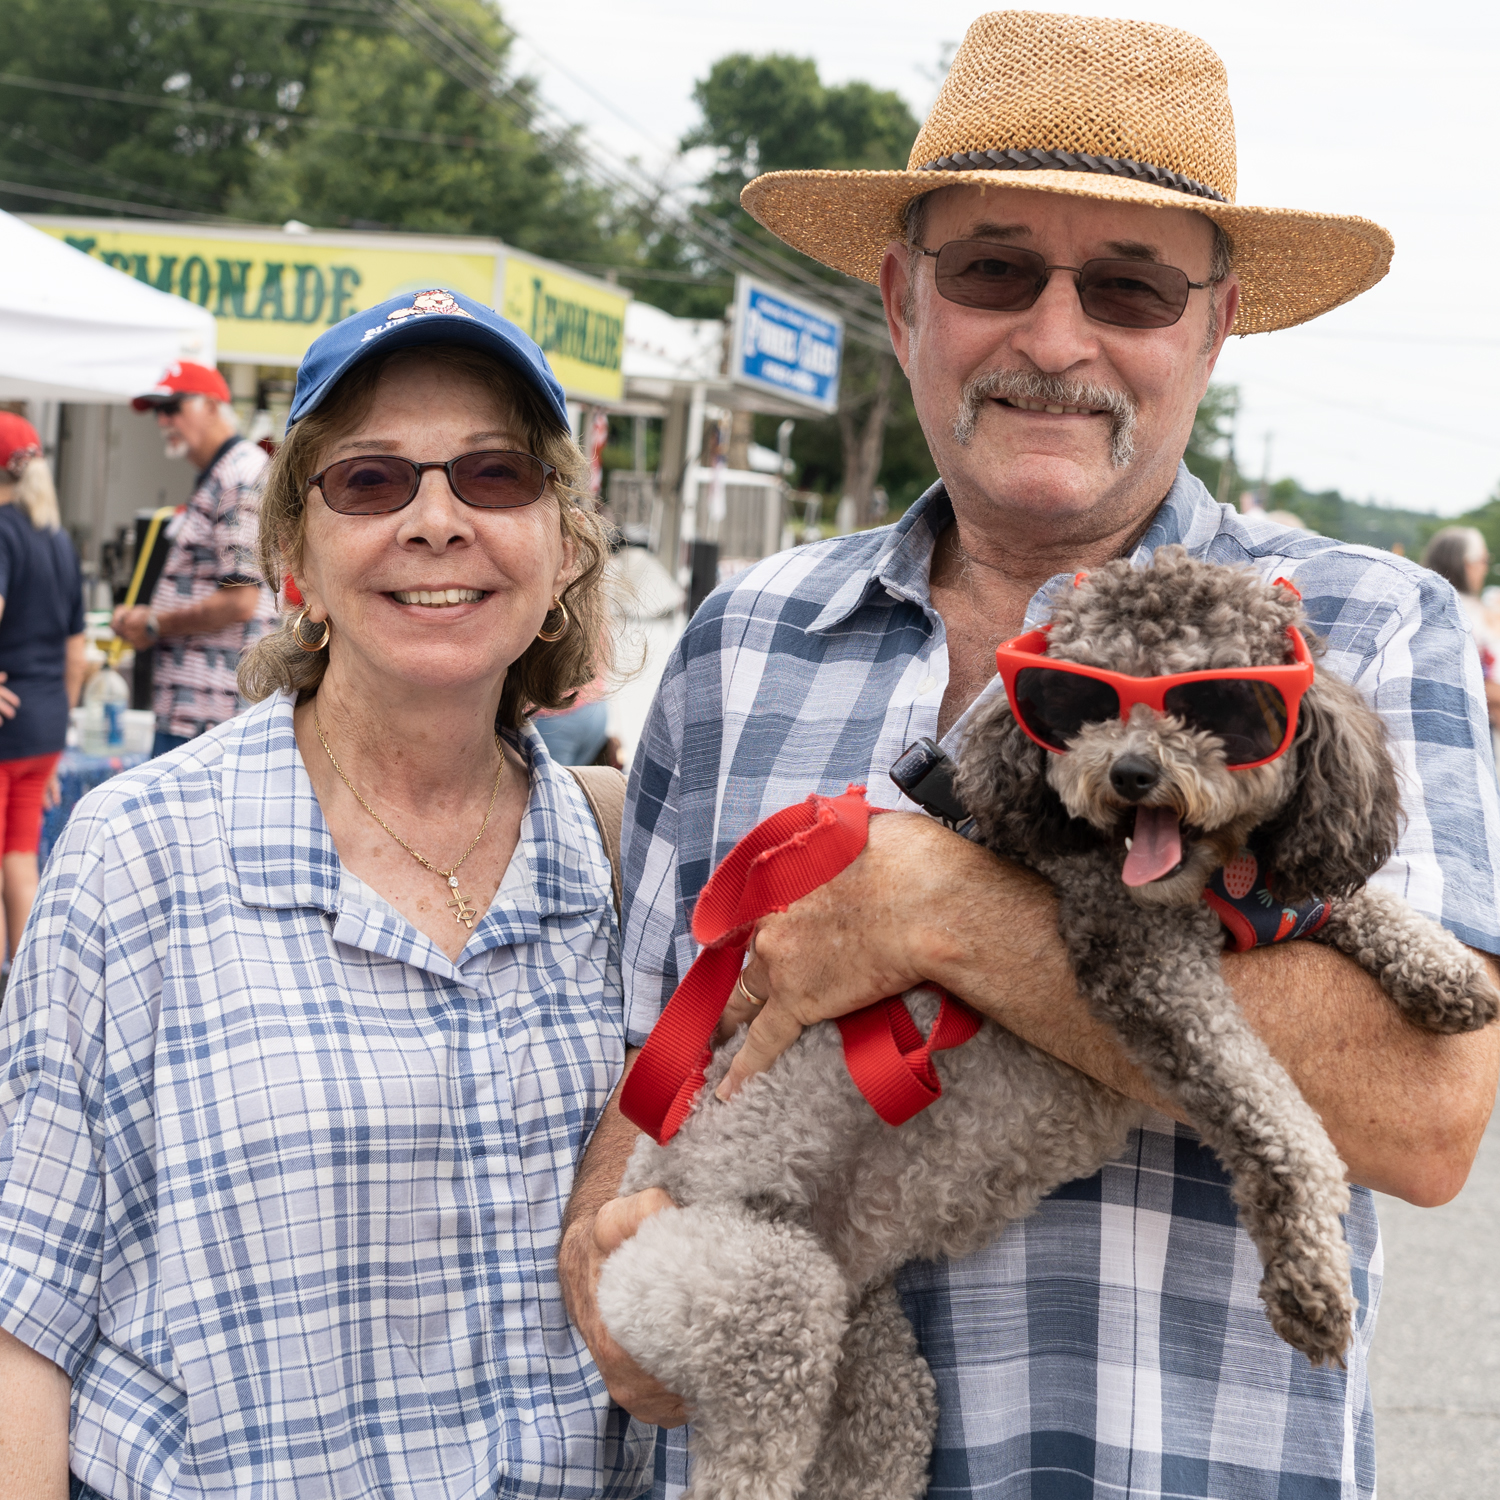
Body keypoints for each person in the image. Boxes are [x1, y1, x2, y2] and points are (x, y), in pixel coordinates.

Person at [561, 13, 1500, 1499]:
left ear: (1214, 325)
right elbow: (656, 1059)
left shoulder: (1369, 634)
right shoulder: (743, 641)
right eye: (996, 270)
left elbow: (1433, 1115)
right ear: (901, 295)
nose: (1055, 340)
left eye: (1128, 286)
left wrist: (944, 911)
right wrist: (605, 1269)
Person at [0, 290, 649, 1499]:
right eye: (371, 481)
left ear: (564, 543)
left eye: (495, 475)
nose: (438, 521)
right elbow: (21, 1318)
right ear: (291, 548)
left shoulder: (622, 861)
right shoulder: (141, 851)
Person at [113, 361, 277, 756]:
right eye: (158, 410)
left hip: (213, 715)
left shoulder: (238, 476)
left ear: (210, 404)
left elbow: (240, 601)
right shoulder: (225, 472)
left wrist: (154, 623)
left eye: (173, 407)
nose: (163, 420)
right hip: (200, 710)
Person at [0, 415, 84, 966]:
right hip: (46, 725)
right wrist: (57, 722)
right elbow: (76, 652)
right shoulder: (58, 538)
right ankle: (24, 1003)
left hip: (8, 726)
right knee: (19, 858)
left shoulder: (2, 529)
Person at [1422, 525, 1500, 749]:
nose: (1484, 569)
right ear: (1465, 564)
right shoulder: (1465, 615)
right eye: (1483, 561)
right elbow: (1485, 683)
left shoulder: (1426, 605)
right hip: (1467, 731)